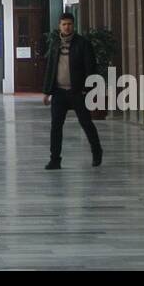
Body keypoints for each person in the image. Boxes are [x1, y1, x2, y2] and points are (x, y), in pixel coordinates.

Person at [42, 12, 103, 170]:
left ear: (73, 25)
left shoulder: (82, 44)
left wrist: (88, 89)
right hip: (59, 92)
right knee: (56, 126)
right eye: (64, 24)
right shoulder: (55, 44)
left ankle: (97, 152)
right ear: (59, 26)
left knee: (86, 123)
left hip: (77, 92)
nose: (67, 27)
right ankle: (55, 159)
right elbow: (50, 68)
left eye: (69, 24)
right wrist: (47, 91)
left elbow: (90, 68)